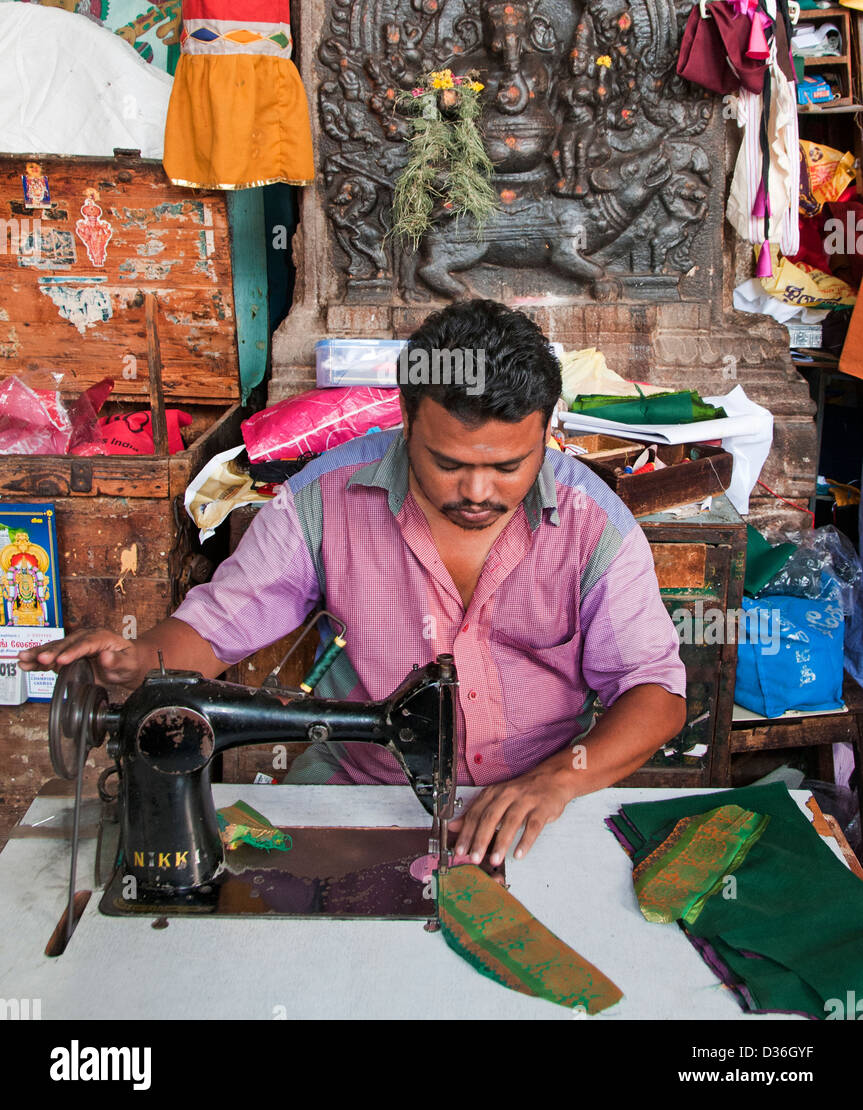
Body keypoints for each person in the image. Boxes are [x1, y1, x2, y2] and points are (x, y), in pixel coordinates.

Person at [21, 299, 686, 868]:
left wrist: (555, 782)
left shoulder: (592, 523)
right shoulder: (323, 498)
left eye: (509, 466)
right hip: (358, 789)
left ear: (548, 430)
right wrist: (135, 661)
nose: (478, 492)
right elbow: (217, 627)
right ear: (405, 418)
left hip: (538, 800)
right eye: (447, 463)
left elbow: (653, 692)